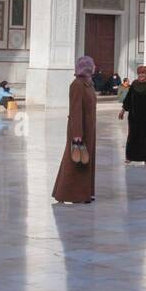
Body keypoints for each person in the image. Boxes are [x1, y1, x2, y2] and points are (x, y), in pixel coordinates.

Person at [52, 56, 97, 204]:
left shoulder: (88, 84)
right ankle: (65, 193)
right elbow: (75, 109)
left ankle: (85, 192)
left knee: (86, 161)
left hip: (89, 129)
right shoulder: (77, 84)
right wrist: (77, 134)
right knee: (74, 161)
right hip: (79, 130)